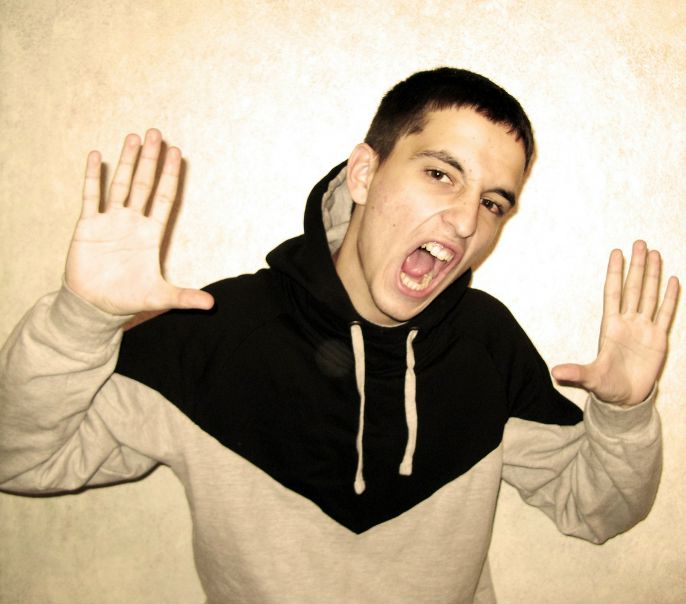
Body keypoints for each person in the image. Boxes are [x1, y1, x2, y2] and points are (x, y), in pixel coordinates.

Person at [0, 68, 679, 603]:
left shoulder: (485, 345)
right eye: (440, 174)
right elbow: (20, 460)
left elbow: (596, 512)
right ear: (364, 173)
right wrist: (80, 319)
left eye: (492, 202)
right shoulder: (219, 330)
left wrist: (624, 414)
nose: (467, 221)